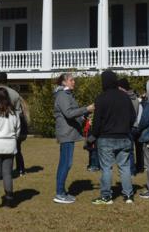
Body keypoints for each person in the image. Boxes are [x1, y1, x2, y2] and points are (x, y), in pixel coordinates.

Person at [90, 70, 137, 204]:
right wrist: (126, 127)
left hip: (106, 138)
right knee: (125, 167)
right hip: (124, 137)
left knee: (106, 168)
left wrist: (94, 135)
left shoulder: (101, 98)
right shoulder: (125, 97)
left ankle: (106, 196)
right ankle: (128, 195)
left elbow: (97, 121)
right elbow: (133, 117)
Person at [52, 73, 94, 204]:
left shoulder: (67, 95)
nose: (74, 82)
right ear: (64, 82)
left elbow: (75, 114)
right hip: (66, 134)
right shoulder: (63, 96)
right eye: (71, 80)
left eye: (73, 80)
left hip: (68, 133)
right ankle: (59, 193)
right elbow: (69, 113)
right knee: (66, 163)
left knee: (65, 163)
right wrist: (86, 108)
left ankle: (61, 192)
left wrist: (85, 115)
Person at [117, 77, 143, 175]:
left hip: (129, 126)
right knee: (137, 149)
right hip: (136, 125)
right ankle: (138, 167)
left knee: (128, 150)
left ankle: (131, 170)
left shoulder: (125, 98)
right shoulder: (135, 97)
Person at [15, 97, 29, 177]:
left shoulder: (18, 113)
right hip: (22, 134)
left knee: (17, 151)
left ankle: (21, 169)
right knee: (17, 151)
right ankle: (19, 168)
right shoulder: (23, 112)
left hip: (19, 134)